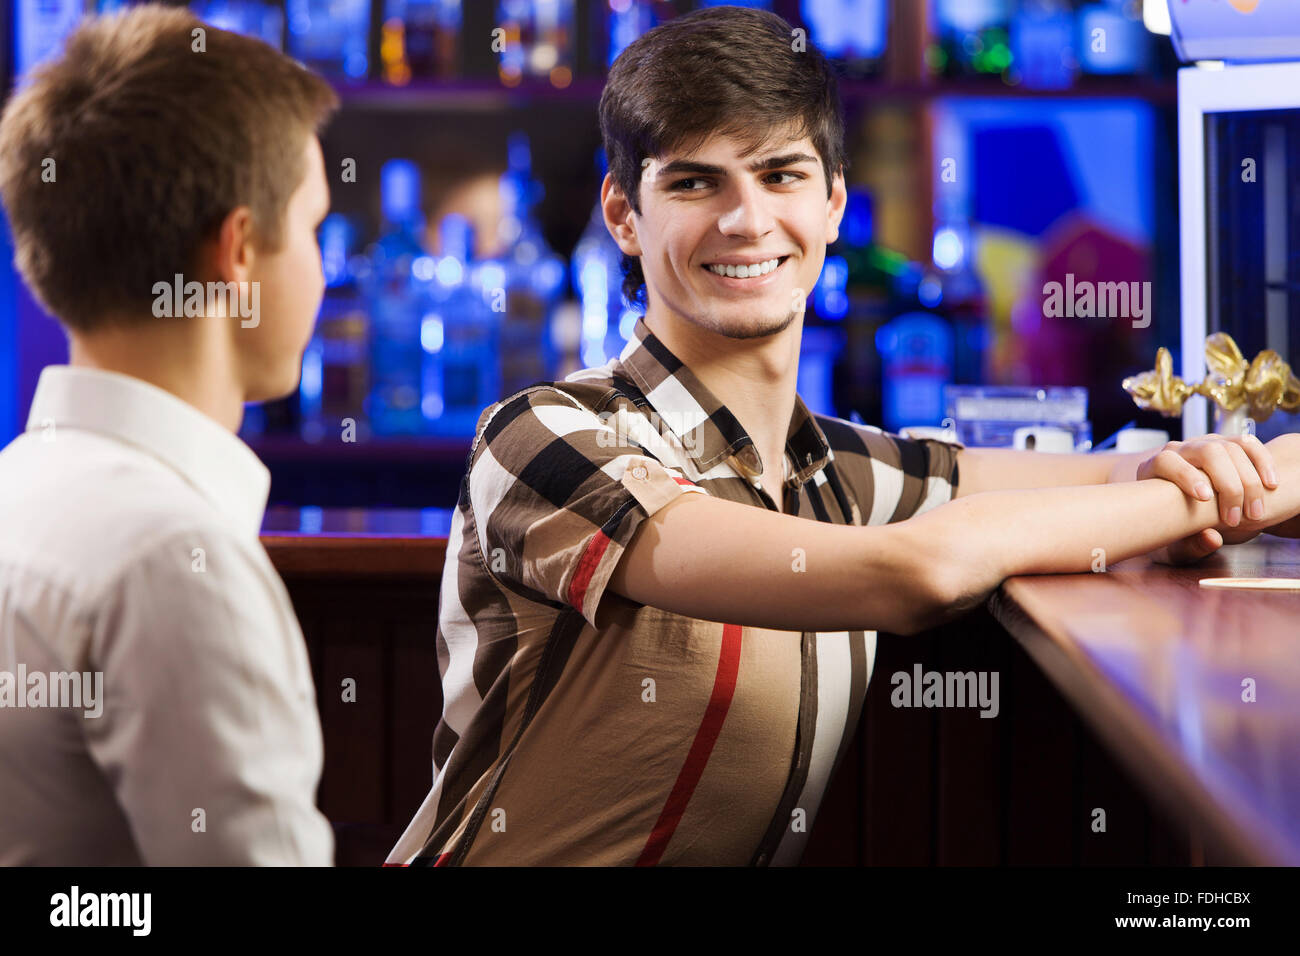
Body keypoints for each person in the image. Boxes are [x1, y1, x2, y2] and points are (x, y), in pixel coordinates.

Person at [388, 6, 1300, 867]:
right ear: (625, 216)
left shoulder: (841, 469)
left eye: (780, 174)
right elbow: (913, 573)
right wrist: (1197, 495)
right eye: (695, 181)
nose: (746, 220)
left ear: (831, 205)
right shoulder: (545, 437)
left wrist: (1214, 476)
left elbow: (1114, 473)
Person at [0, 5, 338, 864]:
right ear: (238, 251)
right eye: (312, 228)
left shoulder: (19, 490)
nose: (323, 269)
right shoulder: (176, 563)